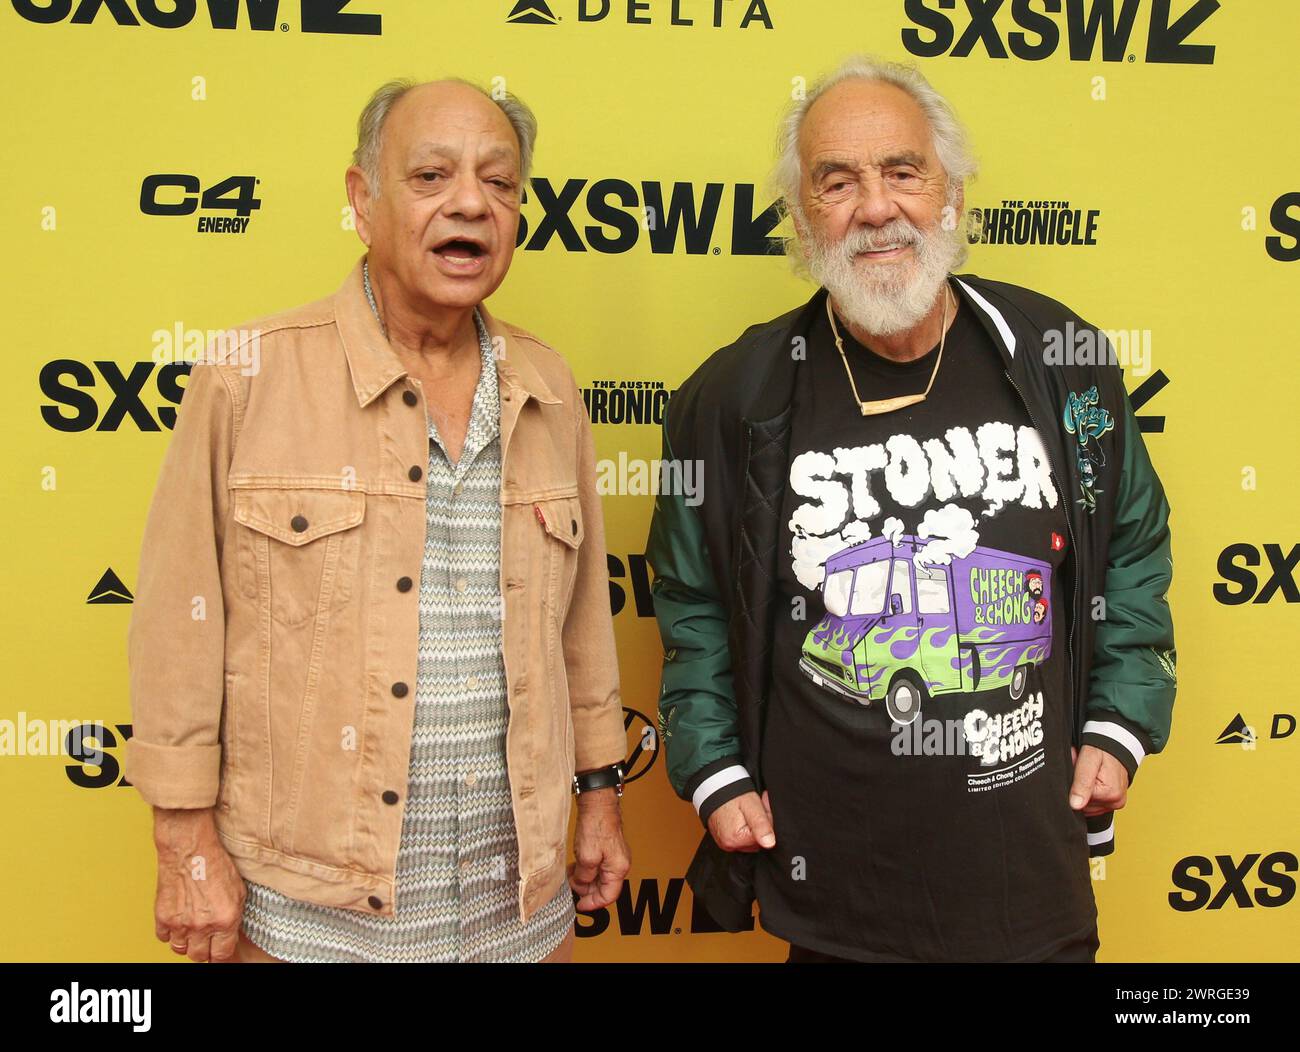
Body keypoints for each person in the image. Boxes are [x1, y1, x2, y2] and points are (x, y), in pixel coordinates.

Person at [646, 55, 1176, 963]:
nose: (876, 207)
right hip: (833, 896)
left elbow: (1128, 544)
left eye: (903, 171)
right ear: (802, 217)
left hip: (1031, 884)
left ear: (953, 192)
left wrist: (1121, 721)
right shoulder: (734, 397)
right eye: (836, 181)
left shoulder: (1059, 354)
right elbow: (692, 601)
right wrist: (713, 768)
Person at [125, 78, 630, 963]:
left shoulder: (549, 386)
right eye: (431, 176)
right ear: (363, 201)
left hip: (516, 914)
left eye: (499, 182)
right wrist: (183, 843)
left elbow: (581, 629)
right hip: (313, 917)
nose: (471, 201)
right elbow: (177, 626)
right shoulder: (246, 378)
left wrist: (599, 797)